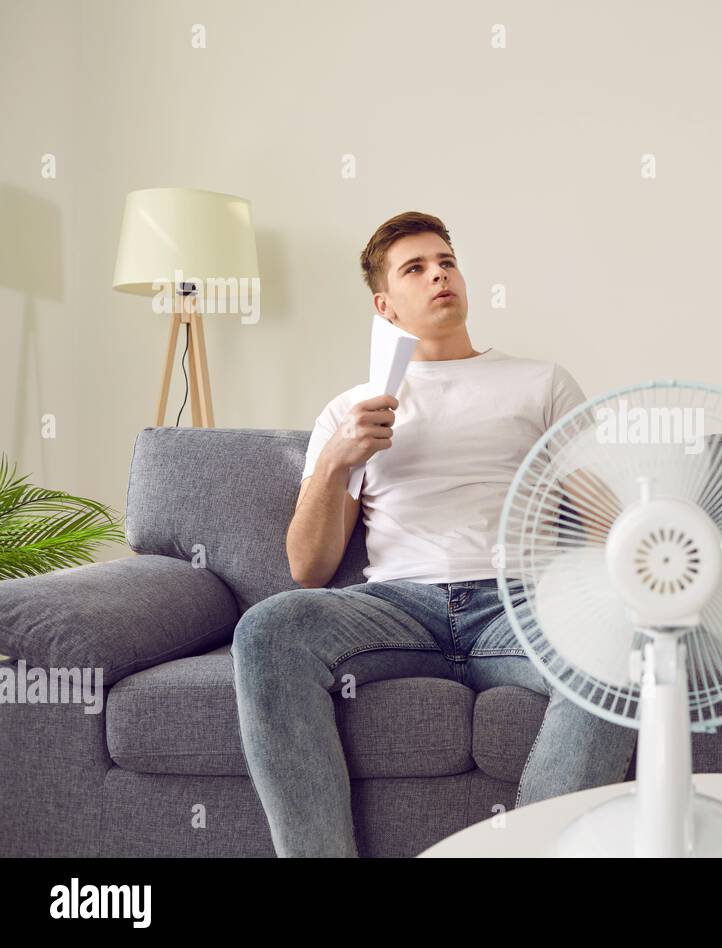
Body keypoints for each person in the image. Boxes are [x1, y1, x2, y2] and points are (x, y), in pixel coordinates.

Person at [230, 211, 637, 857]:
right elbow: (308, 568)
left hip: (518, 605)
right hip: (397, 608)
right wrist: (338, 460)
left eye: (446, 260)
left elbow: (599, 515)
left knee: (619, 638)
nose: (439, 273)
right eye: (415, 268)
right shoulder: (351, 409)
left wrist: (634, 571)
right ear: (384, 305)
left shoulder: (542, 383)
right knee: (269, 629)